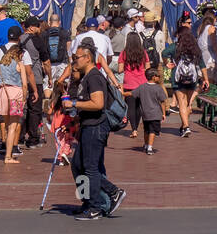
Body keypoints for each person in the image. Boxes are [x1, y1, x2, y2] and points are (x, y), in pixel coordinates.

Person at [61, 44, 125, 221]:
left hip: (96, 126)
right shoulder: (86, 77)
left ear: (87, 58)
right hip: (87, 124)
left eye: (77, 57)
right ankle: (88, 202)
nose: (75, 60)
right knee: (78, 166)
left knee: (90, 167)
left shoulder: (94, 77)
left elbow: (98, 103)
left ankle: (99, 203)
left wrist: (73, 104)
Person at [0, 41, 31, 164]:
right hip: (16, 95)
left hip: (2, 94)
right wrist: (24, 98)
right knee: (13, 126)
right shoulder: (19, 64)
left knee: (5, 125)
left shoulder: (0, 65)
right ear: (18, 54)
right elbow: (25, 85)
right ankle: (8, 156)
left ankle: (6, 150)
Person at [170, 26, 207, 138]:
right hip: (192, 79)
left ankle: (185, 126)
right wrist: (206, 79)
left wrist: (168, 62)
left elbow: (163, 53)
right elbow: (202, 64)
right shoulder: (195, 48)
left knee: (181, 103)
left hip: (178, 79)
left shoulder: (175, 47)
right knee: (187, 103)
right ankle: (183, 126)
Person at [20, 17, 48, 147]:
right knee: (35, 109)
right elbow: (46, 61)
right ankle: (33, 138)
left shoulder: (18, 40)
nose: (39, 29)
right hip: (35, 78)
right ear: (31, 27)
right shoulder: (38, 40)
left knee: (21, 108)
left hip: (20, 79)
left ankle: (18, 136)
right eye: (37, 26)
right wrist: (50, 76)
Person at [120, 32, 151, 139]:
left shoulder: (124, 53)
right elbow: (148, 67)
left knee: (131, 107)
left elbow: (120, 69)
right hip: (142, 82)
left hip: (129, 83)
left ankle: (133, 129)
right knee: (138, 108)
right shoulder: (143, 53)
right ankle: (136, 127)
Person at [133, 67, 169, 156]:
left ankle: (145, 145)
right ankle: (150, 147)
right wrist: (164, 113)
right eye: (158, 76)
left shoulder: (142, 87)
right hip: (155, 114)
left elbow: (132, 93)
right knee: (152, 131)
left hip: (145, 114)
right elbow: (163, 101)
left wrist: (122, 92)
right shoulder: (158, 88)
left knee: (146, 130)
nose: (159, 78)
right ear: (153, 77)